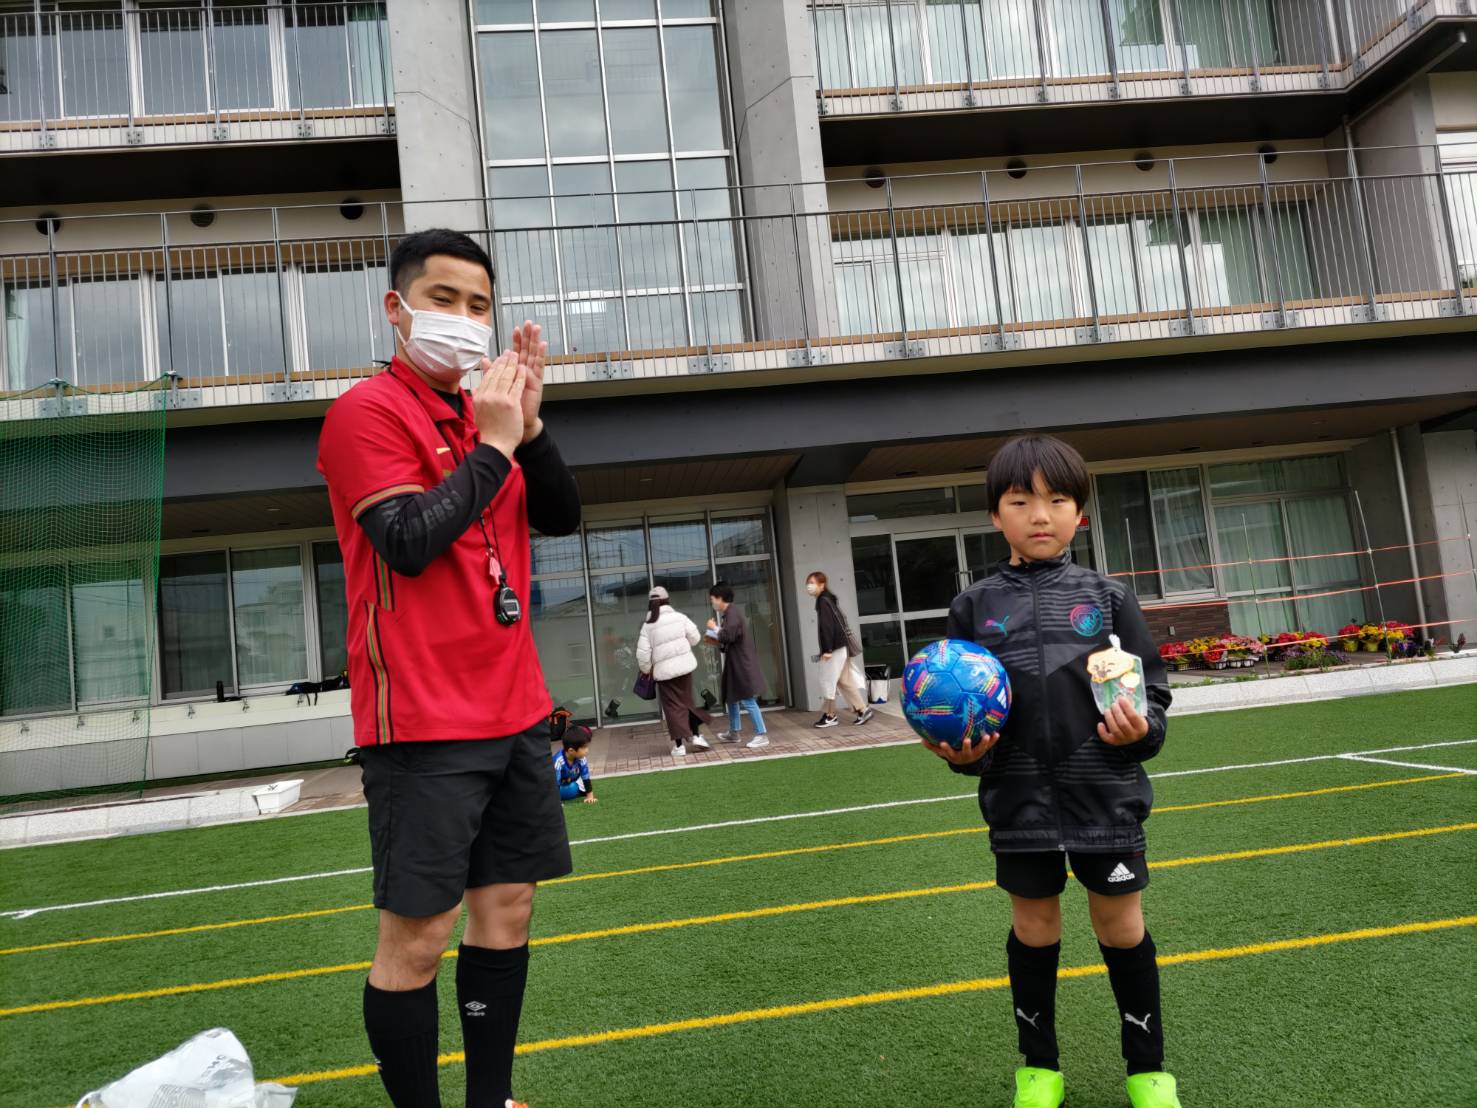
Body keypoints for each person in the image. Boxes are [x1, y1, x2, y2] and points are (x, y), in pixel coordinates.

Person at [316, 228, 581, 1108]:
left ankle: (488, 1099)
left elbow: (562, 517)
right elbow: (406, 542)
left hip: (512, 706)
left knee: (506, 911)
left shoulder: (489, 414)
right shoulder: (364, 412)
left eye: (478, 306)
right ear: (397, 309)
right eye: (443, 300)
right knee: (419, 938)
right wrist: (495, 447)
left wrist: (530, 431)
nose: (463, 321)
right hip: (423, 721)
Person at [922, 434, 1179, 1108]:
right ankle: (1039, 1069)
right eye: (1020, 500)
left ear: (1079, 513)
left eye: (1056, 499)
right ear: (994, 515)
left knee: (1120, 929)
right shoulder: (972, 608)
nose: (1040, 514)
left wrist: (1141, 731)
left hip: (1107, 795)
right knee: (1034, 931)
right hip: (1018, 804)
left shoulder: (1109, 597)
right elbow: (962, 719)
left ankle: (1147, 1071)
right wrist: (963, 756)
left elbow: (1151, 694)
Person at [636, 585, 713, 757]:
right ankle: (696, 735)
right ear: (667, 600)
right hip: (685, 669)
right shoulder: (680, 617)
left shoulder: (648, 626)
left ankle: (679, 746)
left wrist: (647, 669)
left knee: (672, 708)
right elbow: (695, 638)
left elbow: (642, 654)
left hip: (664, 674)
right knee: (686, 703)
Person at [805, 570, 874, 729]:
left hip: (834, 649)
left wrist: (827, 649)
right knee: (843, 681)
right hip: (840, 646)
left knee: (829, 681)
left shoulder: (823, 601)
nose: (809, 586)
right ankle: (863, 710)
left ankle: (830, 716)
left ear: (822, 585)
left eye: (812, 583)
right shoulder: (828, 599)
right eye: (808, 583)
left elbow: (828, 627)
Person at [706, 581, 769, 749]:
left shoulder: (732, 613)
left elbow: (728, 635)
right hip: (736, 663)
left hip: (742, 664)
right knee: (732, 697)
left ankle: (761, 734)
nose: (712, 602)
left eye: (712, 599)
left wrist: (715, 628)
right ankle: (734, 732)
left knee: (747, 698)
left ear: (720, 598)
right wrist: (715, 639)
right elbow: (729, 639)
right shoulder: (730, 614)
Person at [552, 726, 597, 803]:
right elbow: (555, 783)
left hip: (572, 781)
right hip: (556, 785)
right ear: (571, 751)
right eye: (584, 747)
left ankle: (575, 791)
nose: (587, 750)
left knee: (579, 785)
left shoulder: (581, 758)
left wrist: (590, 796)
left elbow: (586, 777)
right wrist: (557, 802)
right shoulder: (559, 761)